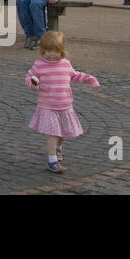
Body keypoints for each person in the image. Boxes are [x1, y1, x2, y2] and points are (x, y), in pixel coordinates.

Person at [26, 30, 99, 174]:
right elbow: (29, 77)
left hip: (65, 106)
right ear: (42, 50)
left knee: (61, 134)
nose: (52, 54)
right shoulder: (39, 65)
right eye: (49, 51)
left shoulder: (65, 64)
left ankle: (58, 148)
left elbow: (76, 75)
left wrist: (91, 79)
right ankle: (52, 161)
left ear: (62, 51)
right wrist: (33, 84)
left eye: (56, 51)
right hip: (48, 106)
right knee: (53, 133)